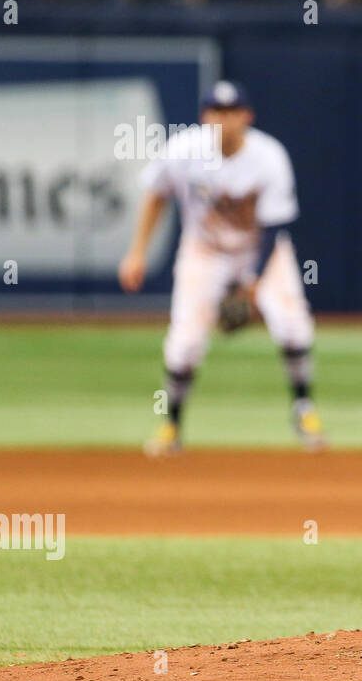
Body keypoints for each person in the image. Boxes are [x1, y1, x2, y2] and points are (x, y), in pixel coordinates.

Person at [117, 81, 325, 455]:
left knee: (294, 326)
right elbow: (155, 195)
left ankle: (304, 409)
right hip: (204, 251)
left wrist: (250, 282)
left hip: (261, 249)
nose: (223, 120)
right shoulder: (183, 150)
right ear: (204, 117)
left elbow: (275, 225)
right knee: (184, 343)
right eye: (216, 112)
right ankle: (171, 426)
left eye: (231, 112)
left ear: (247, 116)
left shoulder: (269, 155)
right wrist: (137, 252)